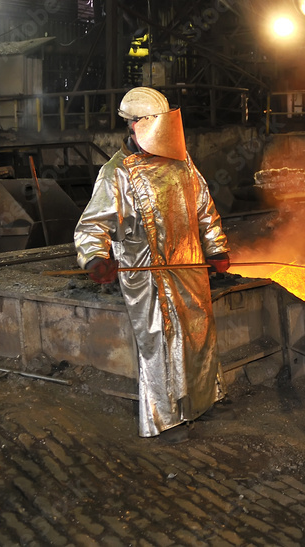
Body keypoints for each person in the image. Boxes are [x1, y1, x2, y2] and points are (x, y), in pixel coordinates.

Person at [74, 87, 230, 443]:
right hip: (147, 274)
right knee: (160, 342)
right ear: (135, 125)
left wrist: (216, 248)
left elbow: (204, 207)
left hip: (189, 266)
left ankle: (205, 400)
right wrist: (97, 258)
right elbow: (92, 224)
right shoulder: (117, 173)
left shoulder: (181, 161)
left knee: (199, 334)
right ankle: (166, 419)